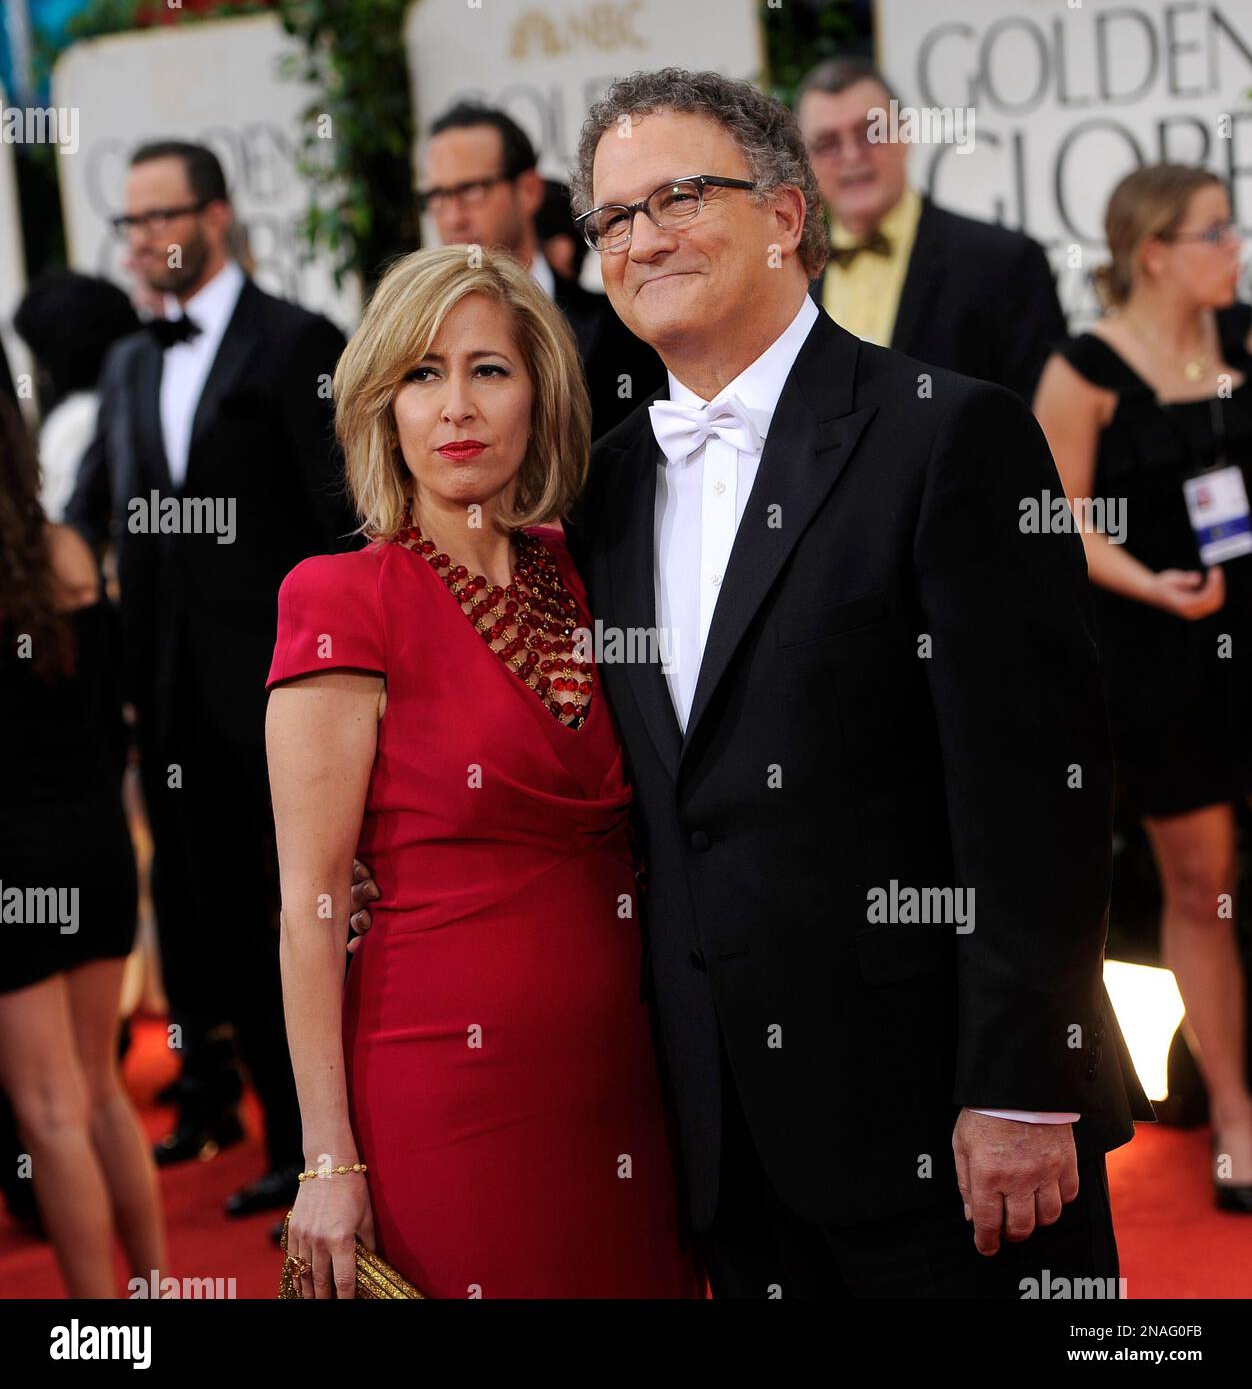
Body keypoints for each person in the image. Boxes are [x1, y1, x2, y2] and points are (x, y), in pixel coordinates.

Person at [357, 66, 1160, 1299]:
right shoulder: (605, 488)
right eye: (614, 216)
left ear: (786, 215)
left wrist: (1022, 1083)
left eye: (677, 196)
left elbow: (1041, 792)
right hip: (714, 1151)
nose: (641, 238)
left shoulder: (948, 435)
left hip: (945, 1130)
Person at [266, 245, 700, 1299]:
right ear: (383, 403)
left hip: (629, 1083)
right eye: (422, 374)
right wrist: (327, 1158)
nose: (455, 407)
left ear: (539, 391)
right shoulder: (340, 596)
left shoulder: (592, 567)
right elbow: (311, 903)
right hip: (444, 1089)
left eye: (487, 370)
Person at [65, 139, 358, 1222]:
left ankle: (327, 1149)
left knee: (308, 917)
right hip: (176, 703)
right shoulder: (132, 364)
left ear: (218, 216)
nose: (143, 239)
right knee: (220, 929)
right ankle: (280, 1141)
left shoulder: (297, 344)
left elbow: (342, 525)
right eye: (130, 222)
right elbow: (103, 523)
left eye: (161, 216)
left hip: (290, 699)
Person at [1034, 165, 1252, 1213]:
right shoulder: (1083, 371)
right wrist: (1155, 585)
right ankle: (1235, 1117)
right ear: (1155, 249)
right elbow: (1053, 519)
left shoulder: (1242, 339)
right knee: (1199, 881)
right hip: (1161, 655)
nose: (1236, 245)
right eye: (1217, 230)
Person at [0, 390, 166, 1295]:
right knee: (100, 1096)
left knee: (50, 1109)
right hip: (94, 839)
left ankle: (103, 1331)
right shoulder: (65, 549)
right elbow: (111, 716)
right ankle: (151, 1297)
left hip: (12, 864)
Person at [796, 56, 1067, 403]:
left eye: (870, 133)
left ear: (905, 132)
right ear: (803, 159)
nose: (851, 156)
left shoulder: (1005, 262)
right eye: (827, 143)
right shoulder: (788, 274)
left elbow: (1045, 425)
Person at [420, 102, 665, 437]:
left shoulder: (625, 328)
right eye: (438, 196)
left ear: (529, 191)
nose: (452, 218)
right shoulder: (411, 338)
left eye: (471, 190)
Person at [14, 270, 141, 521]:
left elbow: (61, 522)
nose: (40, 373)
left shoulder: (77, 421)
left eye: (42, 356)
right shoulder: (131, 404)